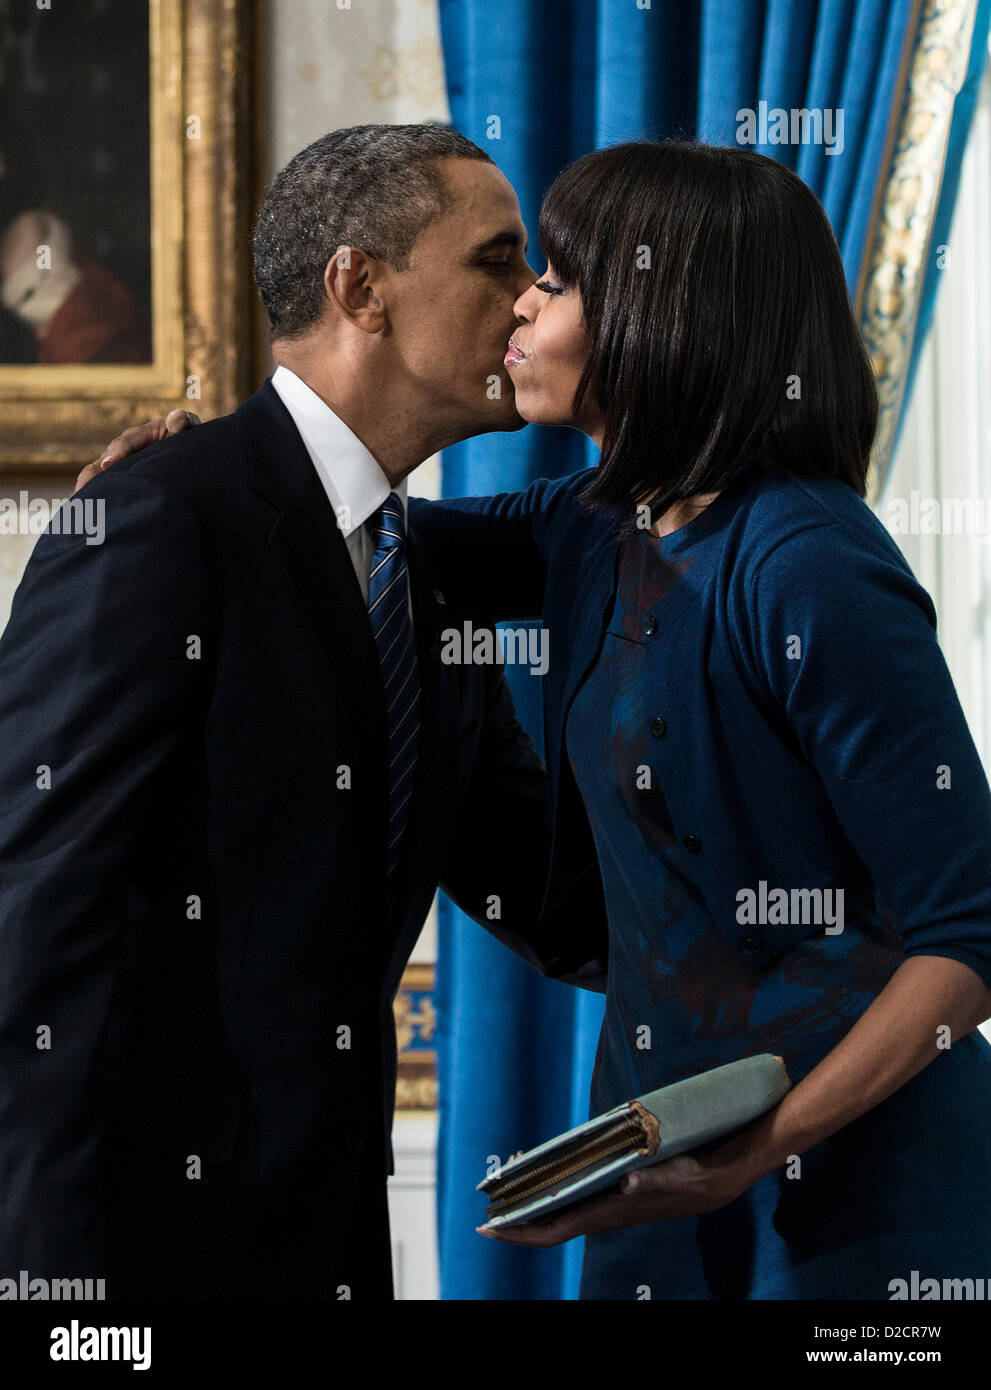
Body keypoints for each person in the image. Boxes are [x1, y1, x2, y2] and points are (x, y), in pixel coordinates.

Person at [89, 138, 991, 1301]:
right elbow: (332, 521)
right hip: (660, 1166)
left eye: (554, 280)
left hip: (857, 1191)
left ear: (666, 311)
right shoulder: (590, 525)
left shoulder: (810, 561)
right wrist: (176, 475)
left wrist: (757, 1153)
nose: (522, 301)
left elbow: (965, 940)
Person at [0, 124, 607, 1302]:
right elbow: (27, 925)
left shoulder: (417, 572)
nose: (530, 297)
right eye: (495, 260)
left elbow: (550, 887)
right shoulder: (159, 516)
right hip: (132, 1264)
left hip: (319, 1246)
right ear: (359, 286)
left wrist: (834, 959)